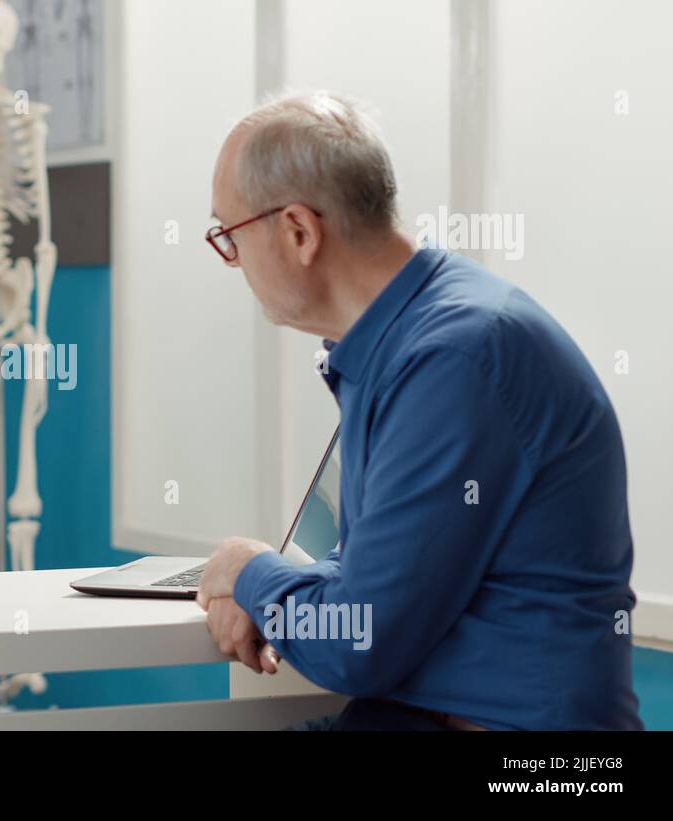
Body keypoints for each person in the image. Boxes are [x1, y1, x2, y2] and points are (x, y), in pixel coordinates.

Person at [195, 92, 641, 730]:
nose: (231, 262)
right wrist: (268, 590)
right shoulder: (410, 339)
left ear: (298, 231)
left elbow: (359, 644)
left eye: (229, 237)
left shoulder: (453, 358)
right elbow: (381, 580)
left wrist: (250, 572)